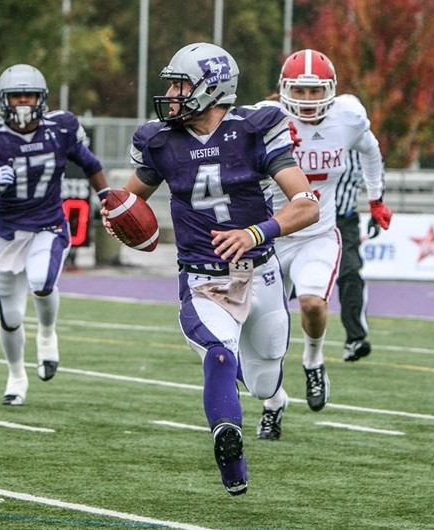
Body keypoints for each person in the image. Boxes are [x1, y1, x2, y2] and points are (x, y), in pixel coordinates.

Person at [103, 42, 319, 495]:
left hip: (260, 272)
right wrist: (118, 215)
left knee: (262, 380)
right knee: (220, 355)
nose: (173, 95)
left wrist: (256, 232)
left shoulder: (256, 130)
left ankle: (273, 401)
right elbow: (129, 198)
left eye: (180, 85)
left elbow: (306, 206)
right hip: (203, 279)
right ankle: (229, 446)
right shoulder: (160, 140)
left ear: (212, 88)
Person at [256, 49, 392, 441]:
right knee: (265, 333)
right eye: (300, 90)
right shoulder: (263, 117)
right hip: (272, 233)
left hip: (319, 232)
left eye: (316, 91)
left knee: (313, 303)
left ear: (330, 91)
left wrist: (376, 197)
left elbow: (371, 149)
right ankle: (273, 402)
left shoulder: (347, 117)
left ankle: (314, 360)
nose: (308, 99)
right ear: (284, 89)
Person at [0, 64, 111, 406]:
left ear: (41, 99)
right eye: (15, 95)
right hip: (7, 232)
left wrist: (107, 199)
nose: (22, 102)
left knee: (42, 282)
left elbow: (91, 165)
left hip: (48, 224)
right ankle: (16, 376)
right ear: (3, 100)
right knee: (11, 316)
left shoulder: (60, 129)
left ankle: (47, 335)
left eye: (28, 95)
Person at [335, 150, 381, 362]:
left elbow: (377, 172)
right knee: (283, 280)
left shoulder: (360, 136)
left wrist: (377, 209)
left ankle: (355, 339)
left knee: (351, 273)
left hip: (344, 221)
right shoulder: (302, 134)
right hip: (305, 219)